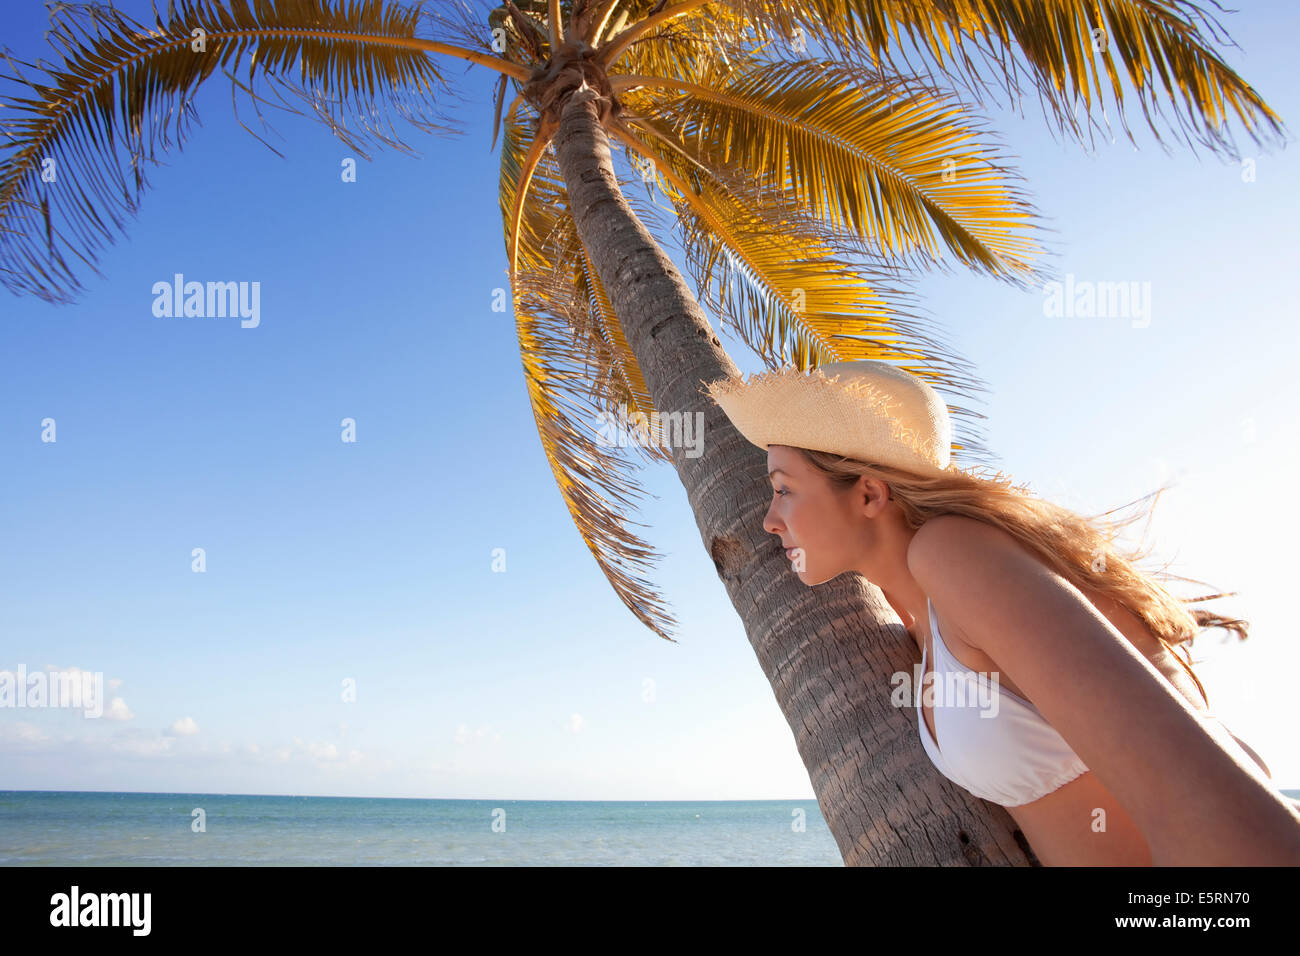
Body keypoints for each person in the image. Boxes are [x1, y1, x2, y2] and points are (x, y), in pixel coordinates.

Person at [704, 359, 1300, 866]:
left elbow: (1217, 818)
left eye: (783, 488)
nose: (768, 519)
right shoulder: (921, 618)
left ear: (867, 494)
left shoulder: (953, 555)